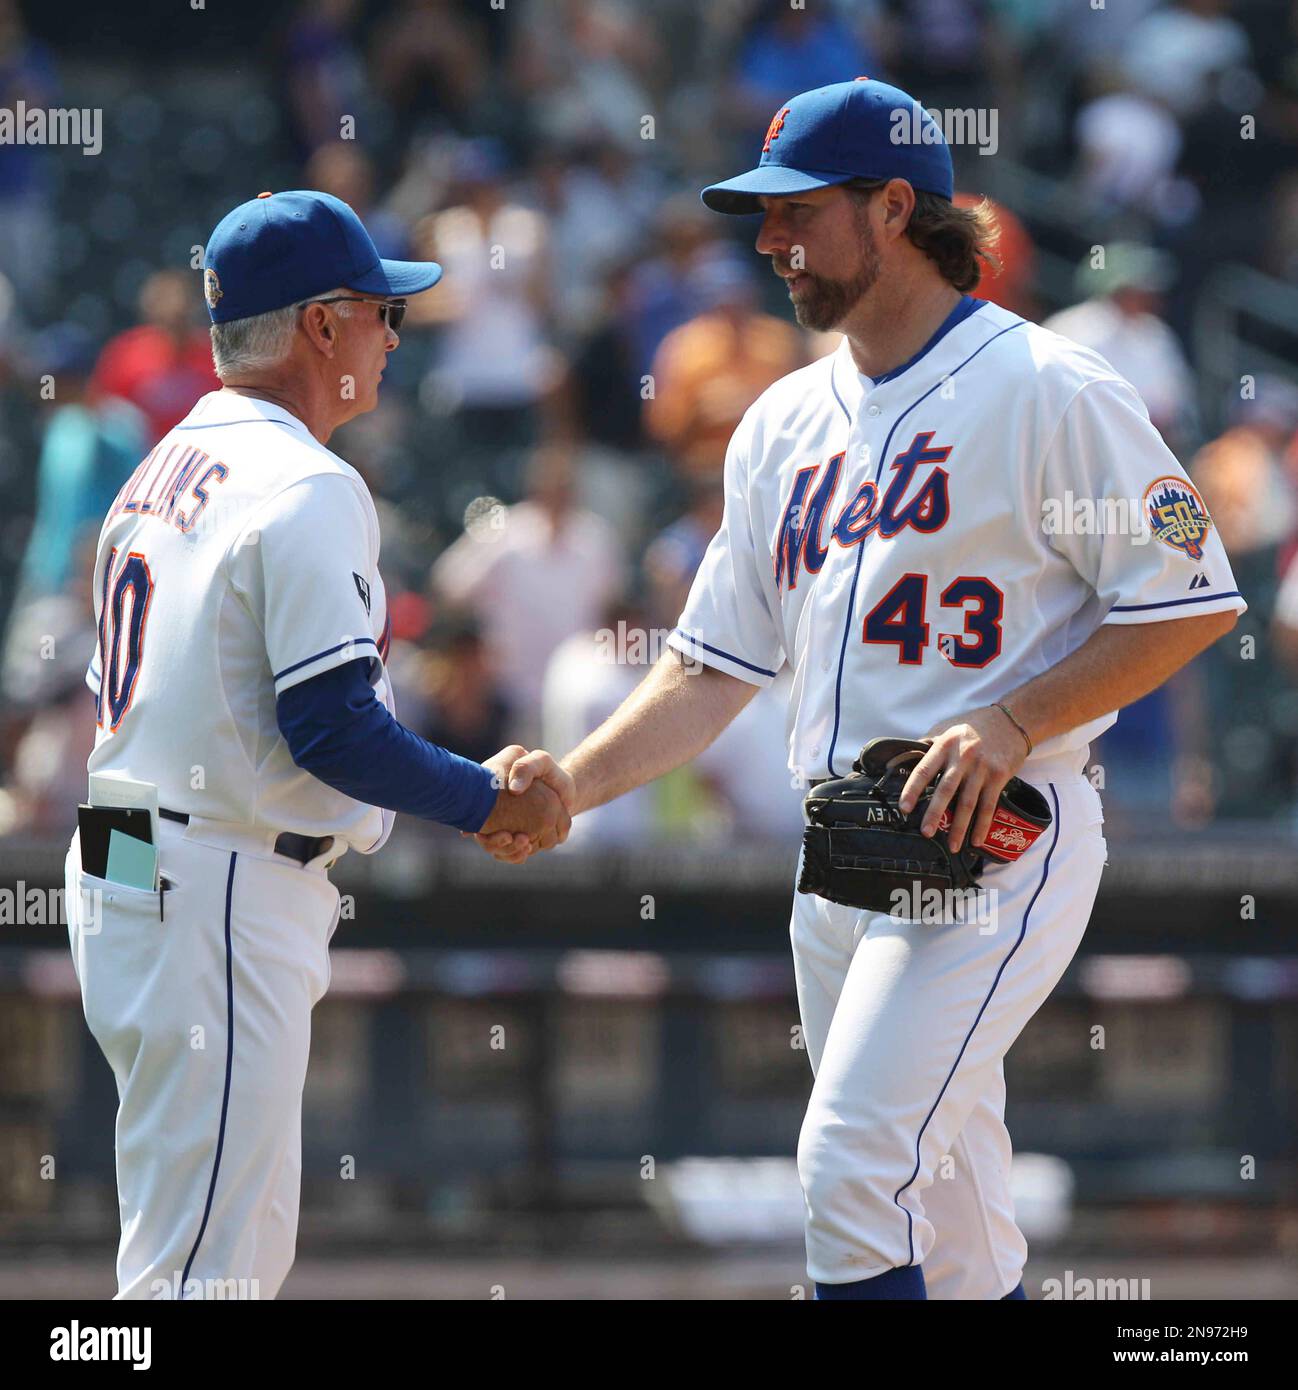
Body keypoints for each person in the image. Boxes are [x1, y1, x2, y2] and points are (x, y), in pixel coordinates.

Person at [477, 79, 1245, 1299]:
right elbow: (708, 663)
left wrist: (1010, 716)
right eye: (761, 217)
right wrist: (574, 778)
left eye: (798, 212)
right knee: (953, 1221)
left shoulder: (1051, 386)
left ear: (895, 208)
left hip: (995, 838)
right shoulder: (779, 421)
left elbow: (1190, 596)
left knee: (846, 1162)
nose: (769, 241)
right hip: (837, 845)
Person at [65, 189, 570, 1300]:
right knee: (205, 1270)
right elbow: (332, 725)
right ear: (320, 323)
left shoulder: (158, 470)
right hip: (218, 876)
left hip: (126, 854)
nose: (393, 338)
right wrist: (488, 800)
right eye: (380, 312)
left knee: (199, 1242)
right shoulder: (304, 482)